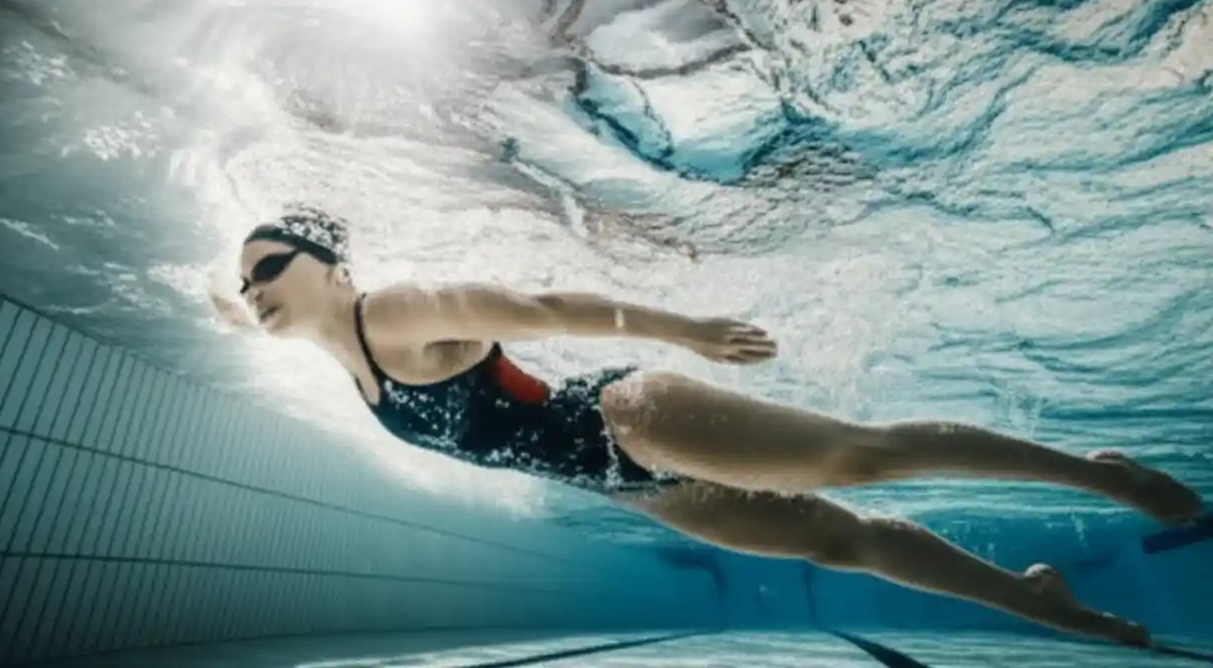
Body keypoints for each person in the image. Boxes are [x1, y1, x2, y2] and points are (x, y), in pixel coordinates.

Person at [209, 206, 1202, 647]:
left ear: (333, 267)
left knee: (855, 459)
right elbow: (244, 305)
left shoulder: (391, 315)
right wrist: (228, 301)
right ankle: (1035, 599)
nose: (254, 291)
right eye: (245, 282)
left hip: (625, 419)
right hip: (631, 487)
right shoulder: (343, 362)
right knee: (840, 541)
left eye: (269, 270)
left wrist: (683, 328)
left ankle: (1096, 472)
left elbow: (542, 309)